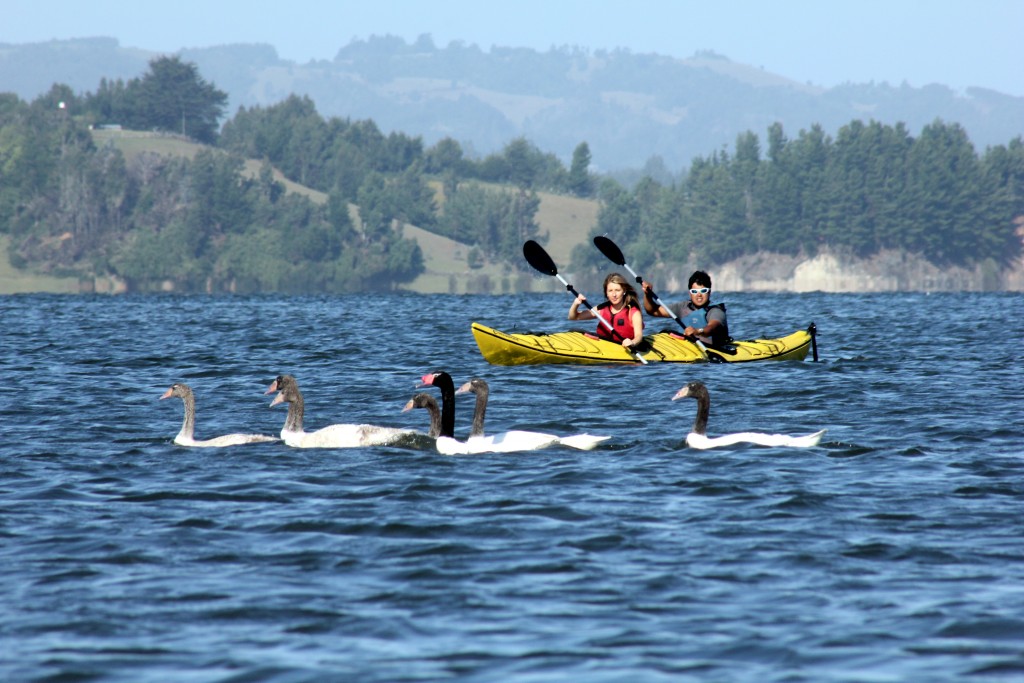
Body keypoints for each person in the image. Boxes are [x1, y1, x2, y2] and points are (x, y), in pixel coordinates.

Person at [642, 270, 729, 347]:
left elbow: (712, 327)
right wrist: (647, 295)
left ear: (709, 292)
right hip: (688, 349)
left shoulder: (716, 311)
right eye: (694, 291)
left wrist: (697, 331)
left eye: (703, 291)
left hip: (716, 350)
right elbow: (652, 310)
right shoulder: (682, 307)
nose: (699, 295)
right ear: (689, 293)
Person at [568, 272, 644, 350]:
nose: (614, 295)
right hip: (603, 347)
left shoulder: (633, 312)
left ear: (624, 291)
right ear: (606, 293)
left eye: (617, 290)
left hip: (625, 348)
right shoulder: (601, 309)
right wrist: (575, 304)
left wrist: (632, 342)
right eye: (610, 291)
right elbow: (573, 317)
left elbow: (639, 336)